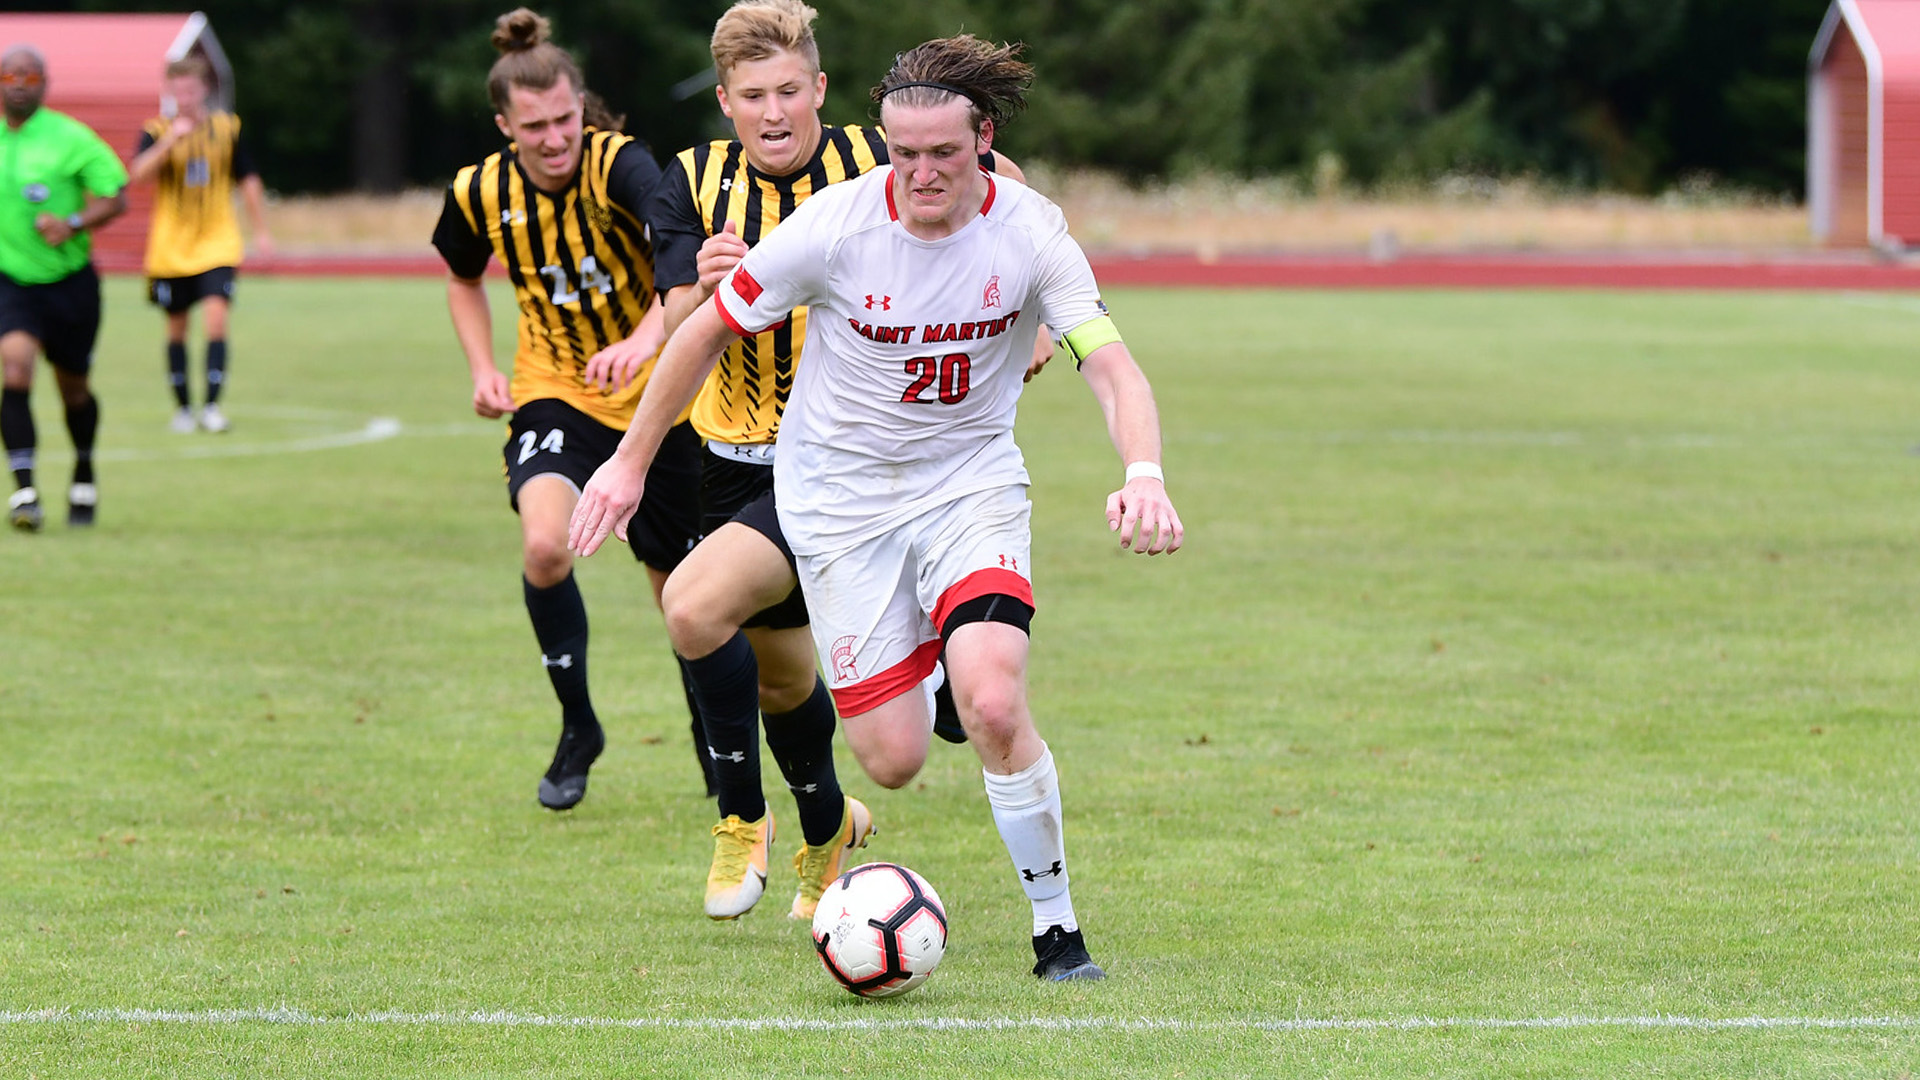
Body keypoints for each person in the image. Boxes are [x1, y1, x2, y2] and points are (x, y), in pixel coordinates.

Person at [571, 35, 1182, 981]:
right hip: (838, 508)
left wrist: (1143, 470)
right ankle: (925, 666)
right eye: (904, 153)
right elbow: (703, 332)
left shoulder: (1029, 229)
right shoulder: (833, 226)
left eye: (944, 153)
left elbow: (1109, 362)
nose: (921, 173)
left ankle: (1056, 931)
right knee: (893, 760)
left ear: (984, 139)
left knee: (994, 697)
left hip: (968, 488)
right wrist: (627, 464)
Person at [617, 0, 1041, 923]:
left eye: (789, 91)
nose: (774, 113)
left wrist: (1033, 316)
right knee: (779, 675)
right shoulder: (688, 182)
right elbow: (680, 323)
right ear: (726, 102)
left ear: (818, 89)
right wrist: (703, 283)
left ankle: (751, 813)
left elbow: (1009, 194)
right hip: (738, 462)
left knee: (696, 609)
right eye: (752, 95)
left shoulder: (885, 157)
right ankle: (819, 825)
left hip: (866, 461)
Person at [431, 8, 710, 810]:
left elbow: (682, 277)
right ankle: (579, 727)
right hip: (555, 386)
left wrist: (641, 337)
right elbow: (460, 275)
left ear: (581, 108)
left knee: (682, 595)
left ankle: (709, 737)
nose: (556, 138)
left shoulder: (624, 167)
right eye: (536, 126)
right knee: (546, 548)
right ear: (503, 125)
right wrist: (484, 367)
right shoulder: (479, 189)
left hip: (657, 397)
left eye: (565, 120)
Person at [0, 45, 128, 532]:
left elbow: (115, 198)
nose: (17, 84)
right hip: (11, 283)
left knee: (73, 391)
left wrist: (72, 222)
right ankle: (26, 493)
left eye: (28, 77)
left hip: (69, 285)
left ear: (44, 84)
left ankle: (84, 468)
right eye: (9, 75)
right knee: (15, 366)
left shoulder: (71, 138)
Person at [127, 54, 273, 435]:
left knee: (216, 319)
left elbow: (250, 179)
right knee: (176, 329)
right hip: (171, 247)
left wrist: (261, 232)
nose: (185, 97)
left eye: (191, 90)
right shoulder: (157, 130)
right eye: (178, 91)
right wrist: (169, 142)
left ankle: (211, 406)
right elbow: (138, 174)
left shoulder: (227, 129)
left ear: (204, 90)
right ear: (170, 93)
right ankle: (183, 409)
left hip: (217, 241)